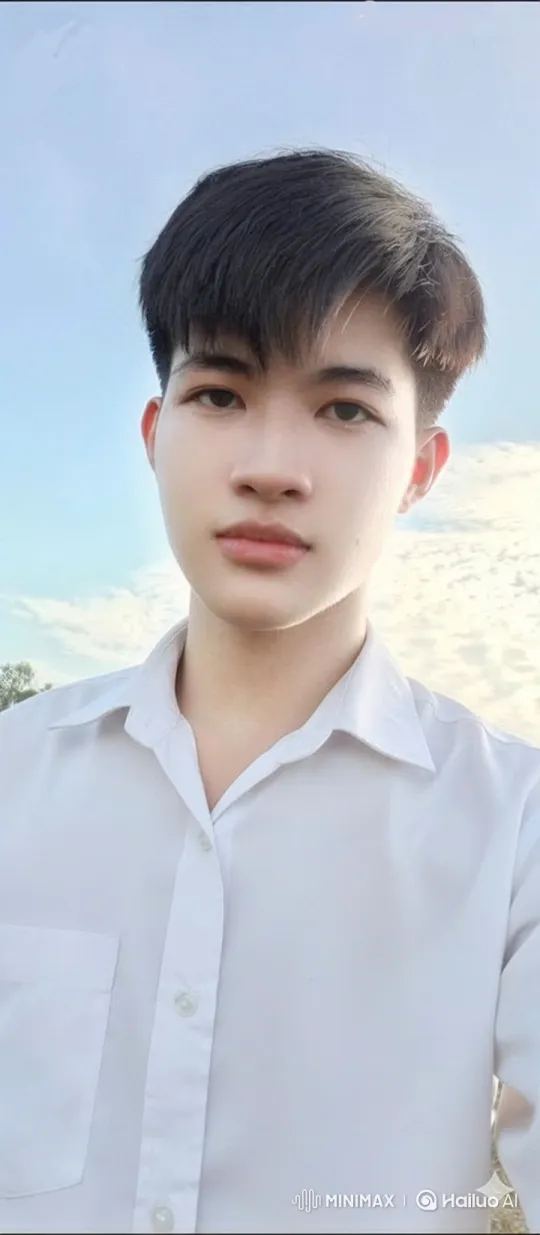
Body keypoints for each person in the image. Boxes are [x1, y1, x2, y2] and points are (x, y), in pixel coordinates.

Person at [0, 148, 537, 1235]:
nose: (272, 464)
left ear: (424, 468)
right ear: (157, 437)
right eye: (221, 391)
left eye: (344, 411)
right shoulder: (14, 772)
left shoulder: (514, 829)